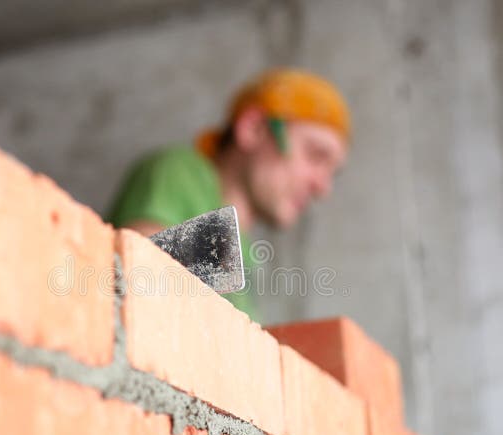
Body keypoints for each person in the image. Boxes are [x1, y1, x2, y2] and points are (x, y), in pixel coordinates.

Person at [106, 68, 351, 321]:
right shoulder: (181, 172)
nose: (323, 187)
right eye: (315, 155)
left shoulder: (247, 255)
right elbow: (137, 273)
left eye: (332, 172)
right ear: (254, 128)